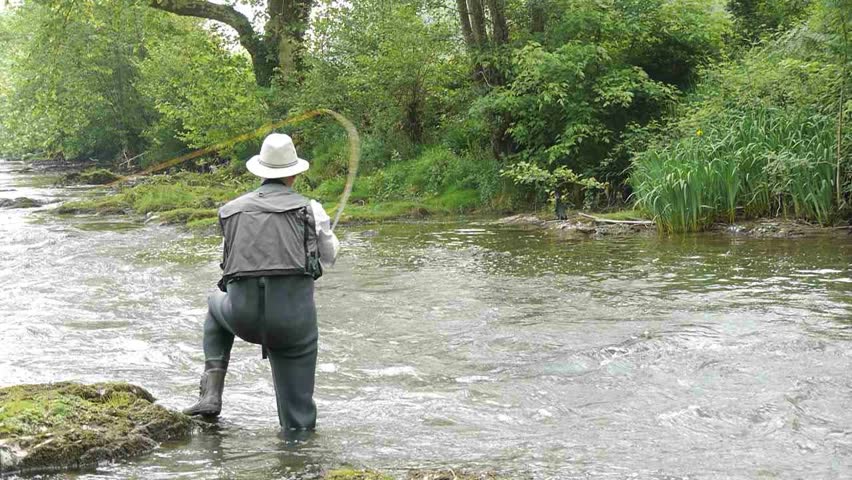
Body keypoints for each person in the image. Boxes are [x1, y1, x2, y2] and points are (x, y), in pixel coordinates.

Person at [183, 133, 339, 434]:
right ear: (293, 173)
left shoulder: (230, 211)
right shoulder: (312, 210)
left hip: (242, 318)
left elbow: (231, 267)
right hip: (294, 325)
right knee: (299, 421)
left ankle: (211, 392)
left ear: (260, 171)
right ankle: (298, 460)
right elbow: (328, 257)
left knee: (213, 304)